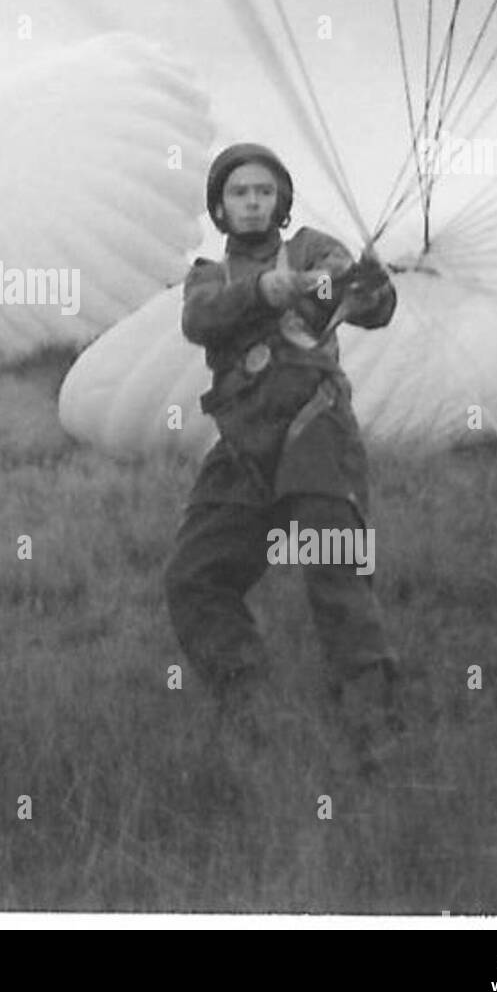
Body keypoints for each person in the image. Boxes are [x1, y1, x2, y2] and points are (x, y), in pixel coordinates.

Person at [166, 143, 401, 760]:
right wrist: (266, 291)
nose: (251, 202)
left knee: (336, 572)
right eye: (239, 193)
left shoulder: (313, 251)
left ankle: (370, 727)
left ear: (282, 202)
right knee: (194, 577)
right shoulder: (208, 276)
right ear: (220, 207)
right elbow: (201, 320)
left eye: (263, 192)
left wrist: (366, 291)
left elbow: (350, 293)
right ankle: (250, 699)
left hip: (314, 434)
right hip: (243, 446)